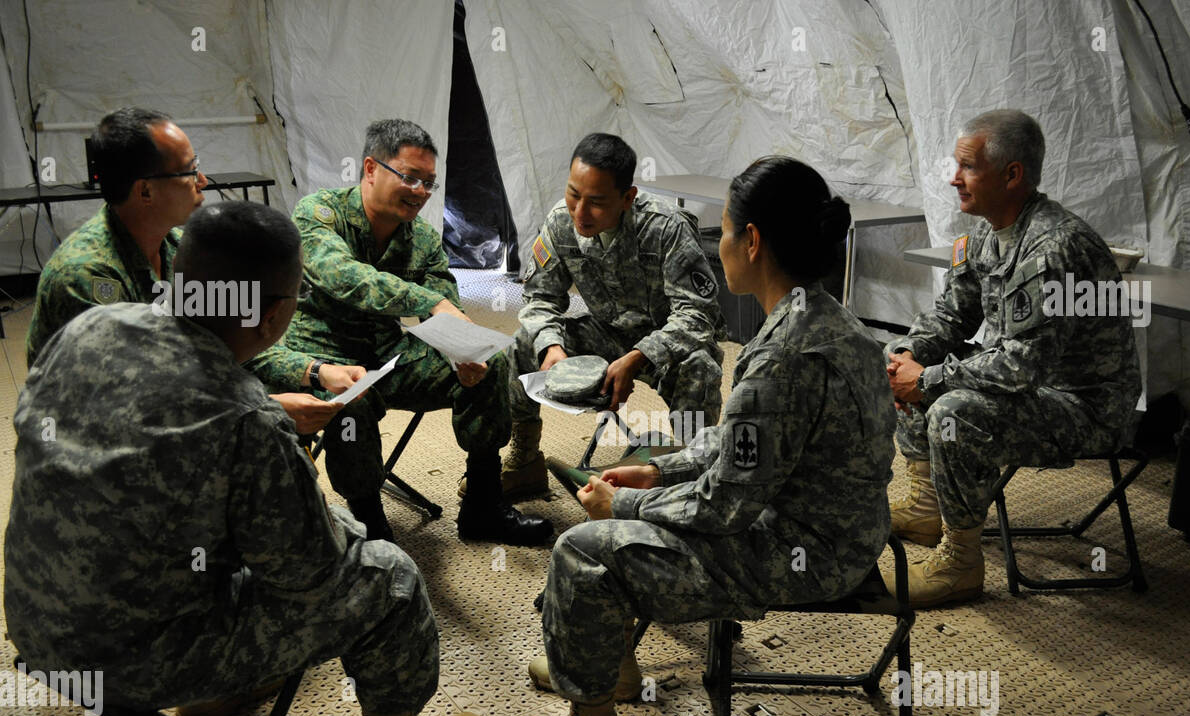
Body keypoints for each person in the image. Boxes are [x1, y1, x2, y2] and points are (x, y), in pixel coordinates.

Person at [5, 201, 486, 716]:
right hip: (132, 662)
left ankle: (214, 697)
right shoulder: (250, 422)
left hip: (35, 626)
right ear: (274, 316)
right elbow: (311, 577)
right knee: (389, 578)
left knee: (234, 532)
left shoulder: (88, 329)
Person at [497, 157, 895, 716]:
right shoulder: (826, 320)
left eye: (727, 231)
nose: (721, 246)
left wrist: (620, 510)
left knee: (581, 551)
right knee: (642, 508)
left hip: (807, 552)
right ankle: (610, 663)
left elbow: (723, 510)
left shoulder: (781, 355)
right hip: (839, 527)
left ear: (753, 241)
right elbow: (738, 443)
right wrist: (657, 472)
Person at [246, 119, 551, 545]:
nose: (421, 193)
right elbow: (345, 278)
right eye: (409, 177)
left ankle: (483, 504)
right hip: (323, 361)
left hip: (391, 358)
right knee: (352, 401)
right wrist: (425, 302)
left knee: (490, 364)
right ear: (370, 168)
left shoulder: (423, 239)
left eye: (428, 183)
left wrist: (460, 355)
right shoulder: (320, 215)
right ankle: (369, 517)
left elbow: (446, 311)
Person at [886, 109, 1141, 609]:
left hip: (1084, 407)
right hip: (1031, 386)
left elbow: (1024, 366)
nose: (954, 179)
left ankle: (960, 563)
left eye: (968, 168)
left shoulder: (1053, 247)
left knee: (950, 405)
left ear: (1012, 174)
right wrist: (906, 355)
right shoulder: (987, 233)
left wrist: (930, 379)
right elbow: (951, 318)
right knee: (916, 365)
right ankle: (924, 506)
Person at [26, 107, 358, 437]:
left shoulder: (182, 248)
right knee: (264, 431)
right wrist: (267, 407)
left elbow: (230, 336)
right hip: (90, 443)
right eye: (189, 171)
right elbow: (129, 398)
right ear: (145, 191)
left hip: (164, 408)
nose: (202, 181)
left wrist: (316, 371)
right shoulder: (85, 278)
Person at [502, 133, 726, 500]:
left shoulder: (666, 228)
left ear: (627, 198)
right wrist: (552, 347)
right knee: (525, 341)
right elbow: (540, 296)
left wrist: (639, 358)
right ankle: (525, 460)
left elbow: (698, 315)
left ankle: (685, 476)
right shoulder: (561, 223)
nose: (579, 212)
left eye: (596, 202)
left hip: (665, 345)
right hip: (608, 334)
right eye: (573, 194)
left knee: (701, 368)